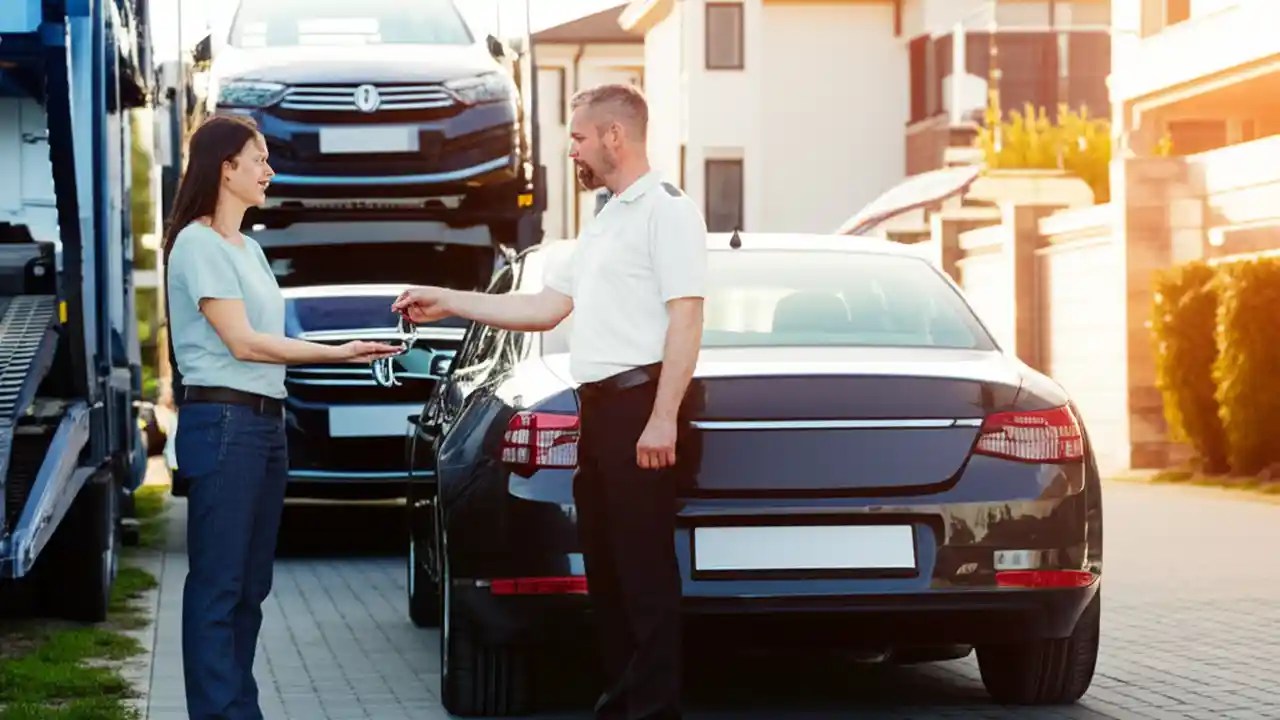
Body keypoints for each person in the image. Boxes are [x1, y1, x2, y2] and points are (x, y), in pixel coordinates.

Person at [392, 83, 707, 720]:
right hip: (597, 413)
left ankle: (653, 709)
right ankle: (623, 704)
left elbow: (687, 319)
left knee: (644, 579)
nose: (573, 150)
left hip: (640, 408)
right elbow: (542, 308)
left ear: (615, 135)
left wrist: (662, 419)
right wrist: (449, 300)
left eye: (580, 137)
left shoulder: (666, 212)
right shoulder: (607, 217)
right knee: (610, 578)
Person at [162, 114, 398, 720]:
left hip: (264, 426)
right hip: (223, 425)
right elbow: (243, 342)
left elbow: (271, 338)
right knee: (218, 586)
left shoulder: (250, 250)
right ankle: (220, 713)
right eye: (259, 158)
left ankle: (239, 708)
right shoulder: (198, 244)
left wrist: (341, 347)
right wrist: (339, 351)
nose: (269, 170)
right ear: (226, 167)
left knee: (251, 588)